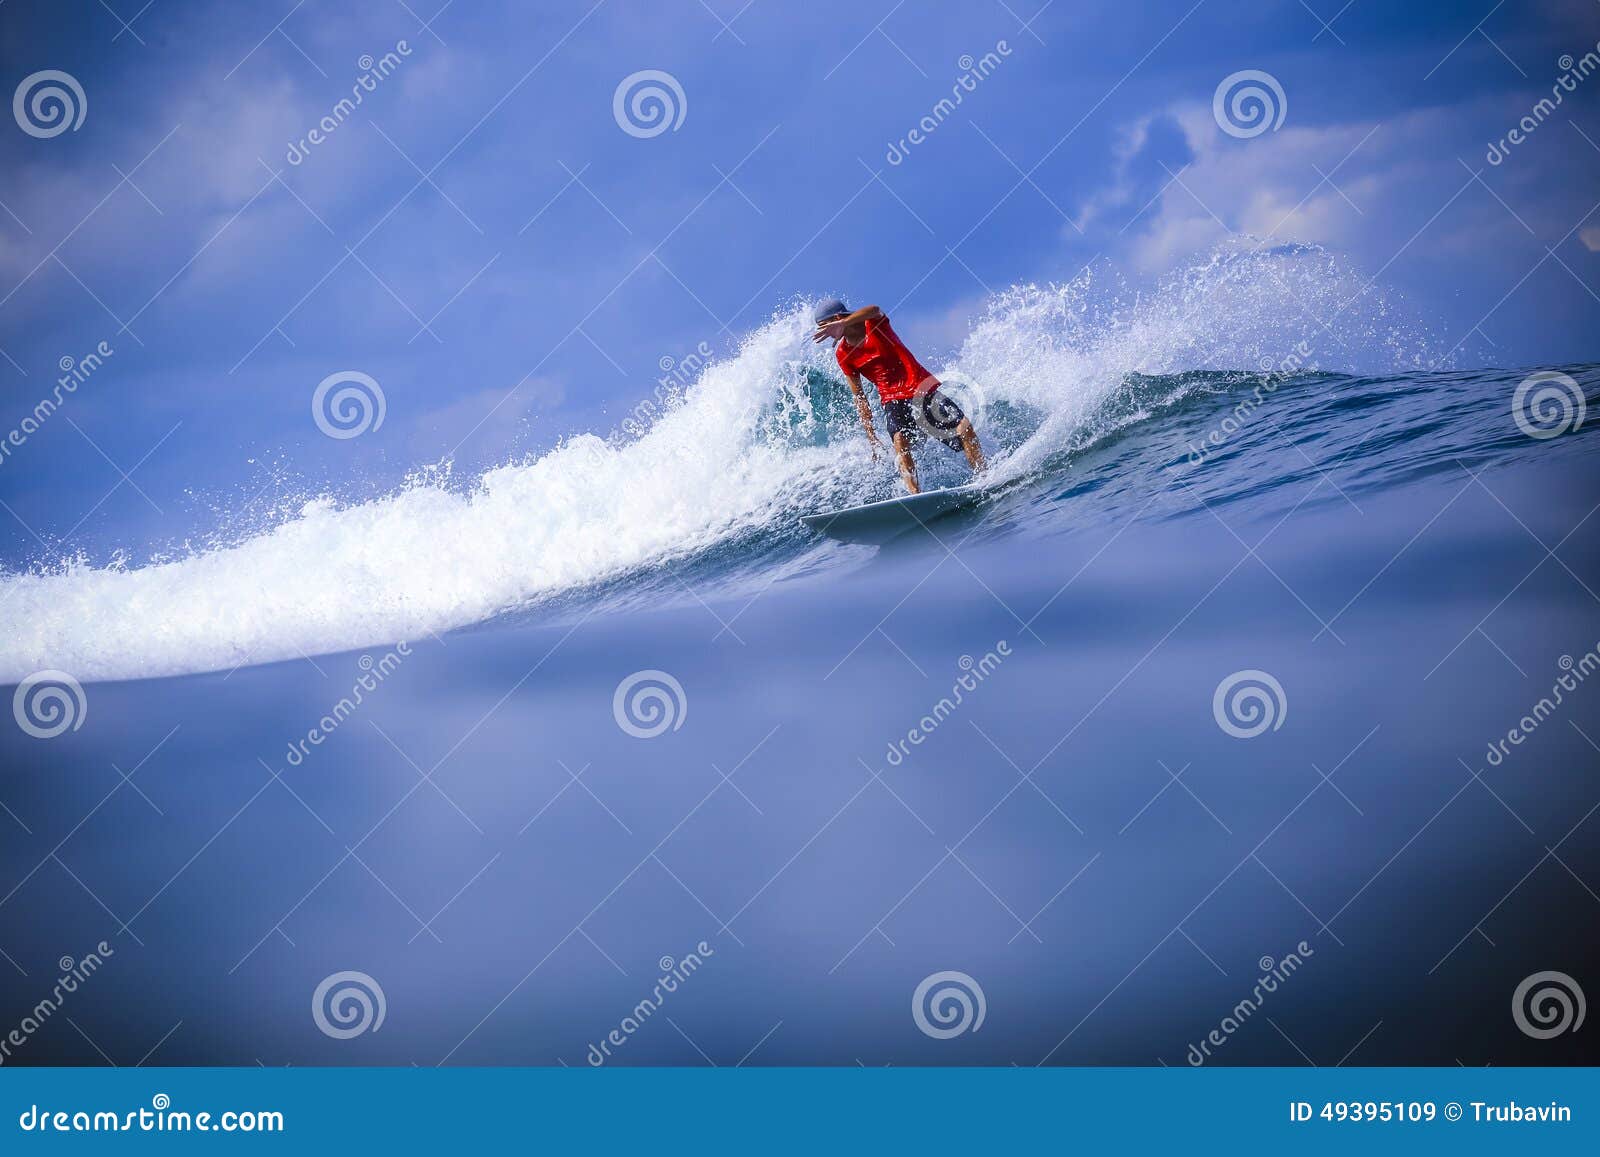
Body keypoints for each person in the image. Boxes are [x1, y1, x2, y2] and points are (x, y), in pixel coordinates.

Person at [812, 298, 986, 495]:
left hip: (920, 387)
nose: (821, 333)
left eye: (823, 327)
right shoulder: (843, 353)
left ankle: (983, 477)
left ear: (836, 318)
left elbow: (875, 309)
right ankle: (915, 495)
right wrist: (872, 438)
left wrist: (843, 323)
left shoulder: (874, 324)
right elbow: (859, 396)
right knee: (900, 441)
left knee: (964, 428)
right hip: (892, 399)